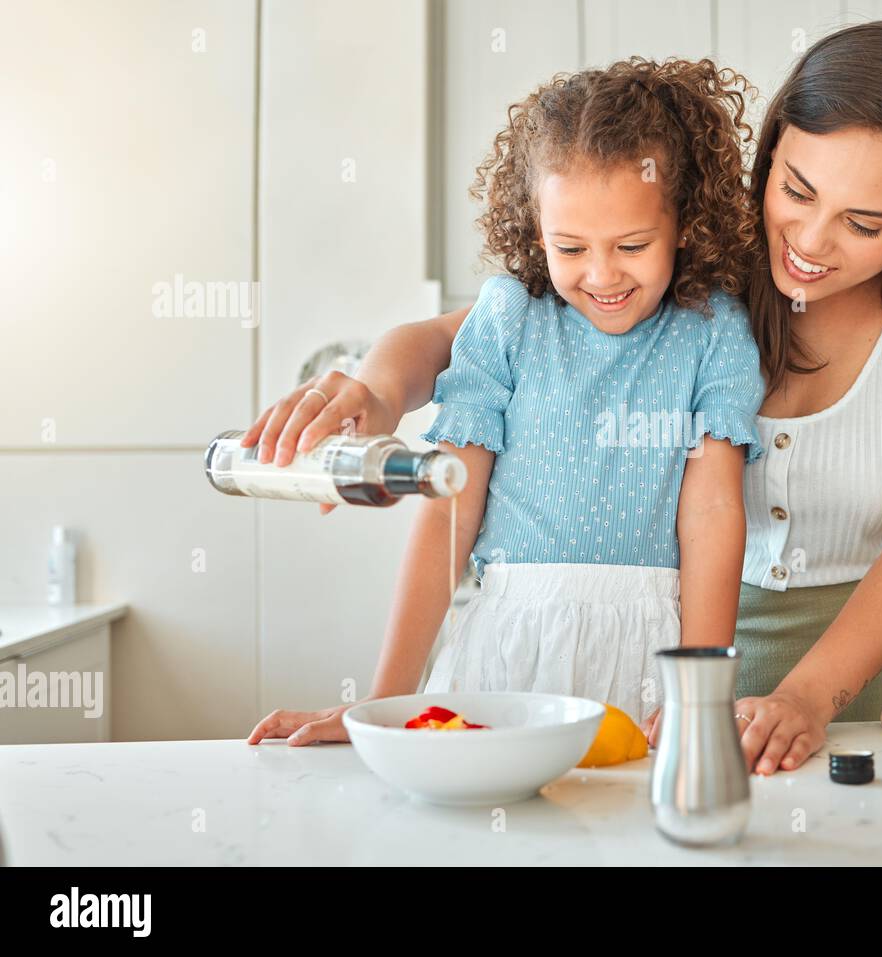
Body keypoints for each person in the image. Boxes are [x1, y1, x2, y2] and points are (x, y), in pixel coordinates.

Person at [248, 22, 882, 775]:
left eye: (862, 223)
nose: (807, 242)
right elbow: (464, 335)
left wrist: (809, 694)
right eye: (796, 190)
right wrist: (374, 388)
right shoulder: (689, 263)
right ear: (769, 156)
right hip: (712, 665)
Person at [248, 57, 764, 743]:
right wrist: (382, 700)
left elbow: (713, 512)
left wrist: (698, 690)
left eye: (633, 245)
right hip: (502, 652)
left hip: (649, 660)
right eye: (570, 246)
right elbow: (448, 512)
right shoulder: (508, 321)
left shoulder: (712, 332)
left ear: (684, 224)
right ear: (535, 228)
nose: (602, 273)